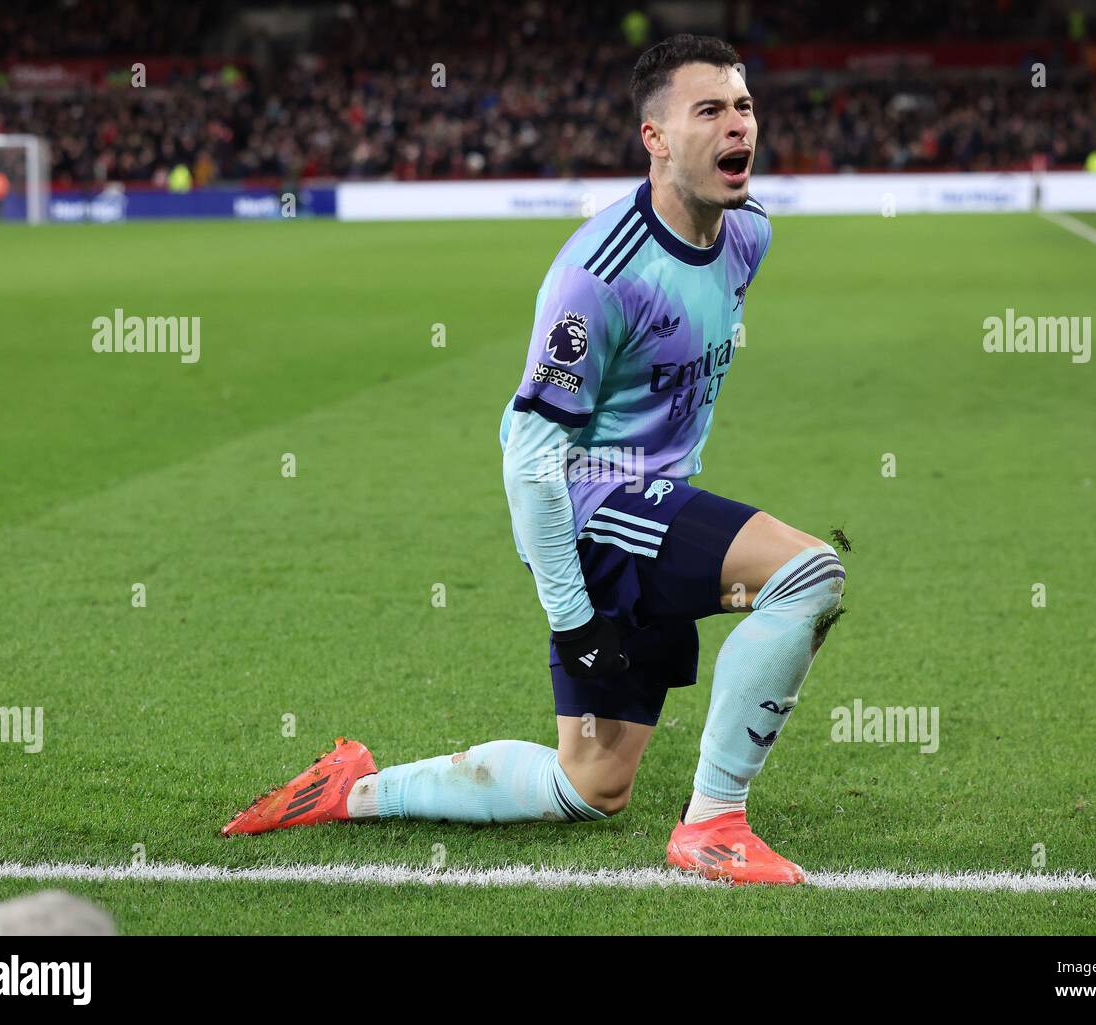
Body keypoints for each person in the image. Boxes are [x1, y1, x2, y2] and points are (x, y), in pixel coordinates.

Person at [222, 34, 846, 886]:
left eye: (742, 106)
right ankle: (715, 824)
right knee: (808, 573)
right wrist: (574, 619)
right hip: (591, 505)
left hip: (653, 499)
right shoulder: (597, 275)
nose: (737, 124)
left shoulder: (748, 236)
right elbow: (529, 457)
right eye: (709, 110)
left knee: (590, 784)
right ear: (654, 138)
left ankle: (354, 789)